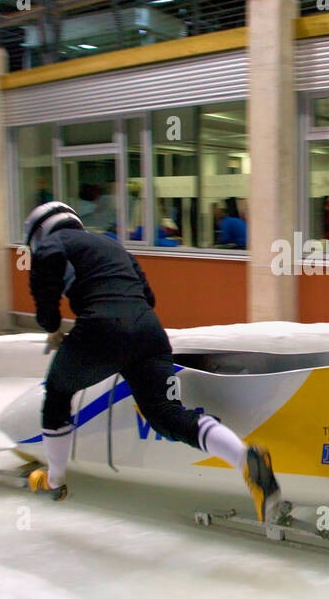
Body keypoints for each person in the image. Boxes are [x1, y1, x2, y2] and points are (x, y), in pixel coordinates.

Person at [21, 201, 282, 521]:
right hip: (150, 333)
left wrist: (50, 327)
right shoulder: (109, 243)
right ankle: (245, 458)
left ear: (38, 233)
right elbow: (149, 296)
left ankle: (55, 479)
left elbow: (46, 284)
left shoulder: (51, 244)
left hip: (100, 331)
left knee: (58, 394)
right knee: (167, 414)